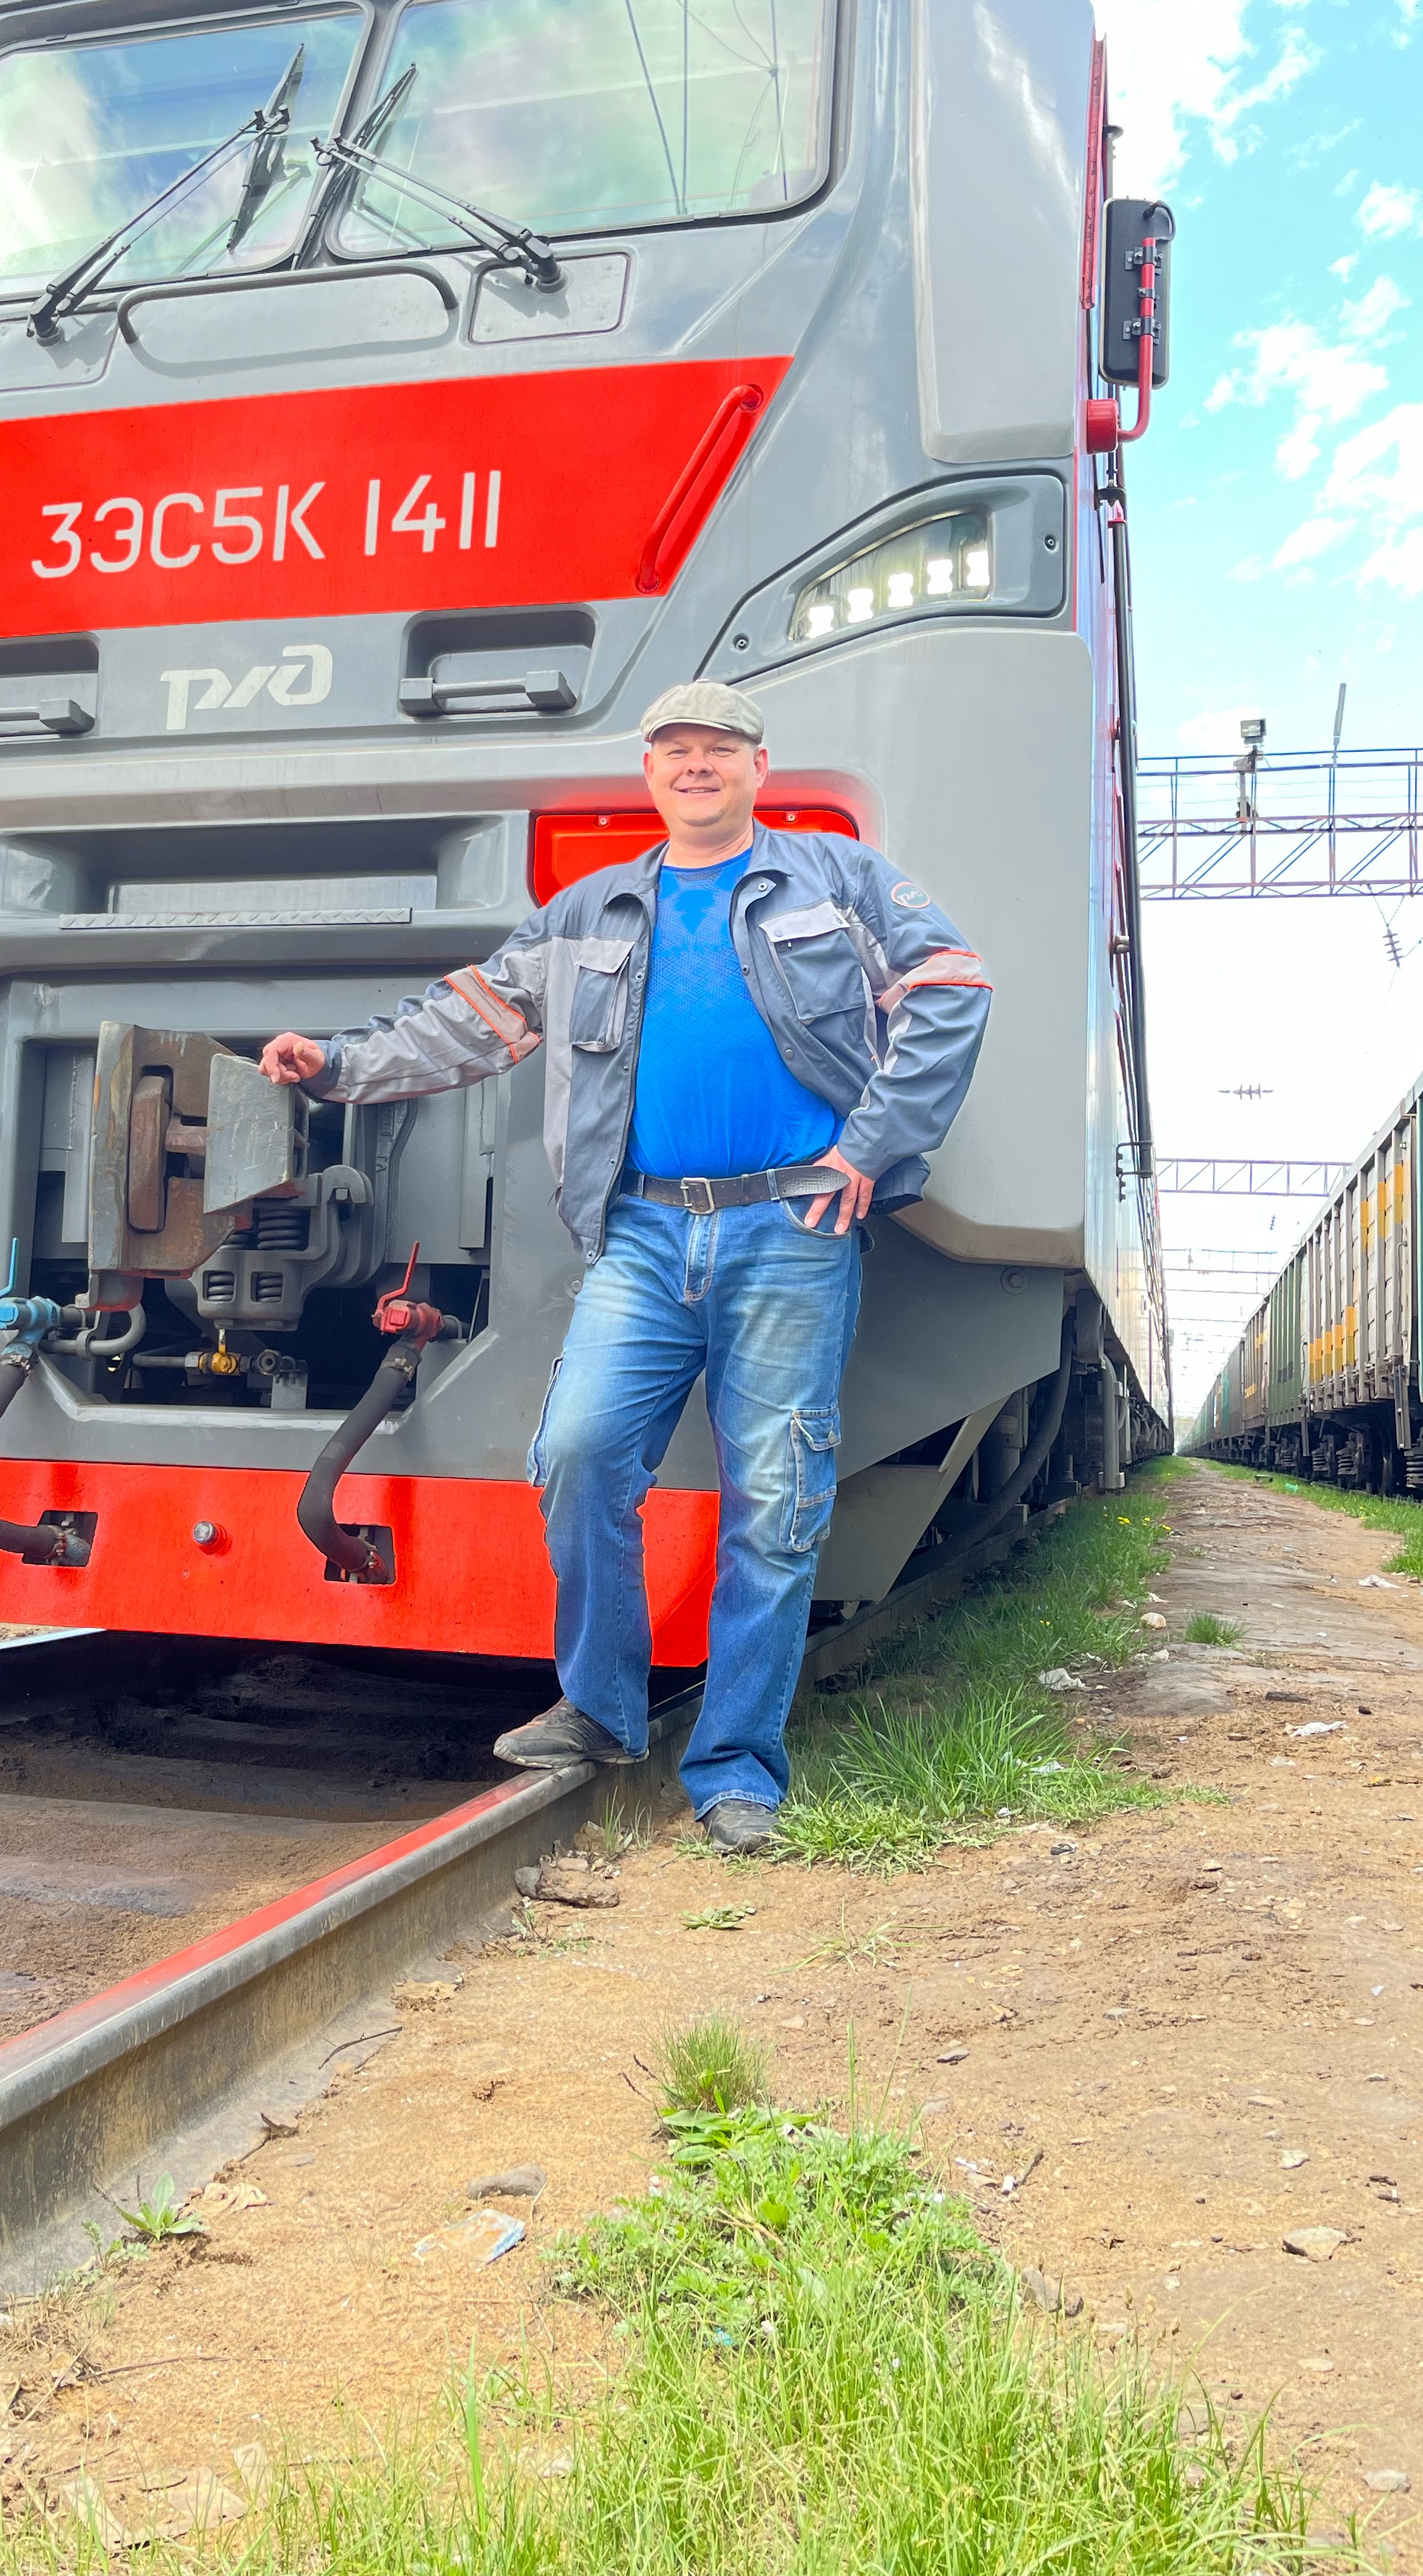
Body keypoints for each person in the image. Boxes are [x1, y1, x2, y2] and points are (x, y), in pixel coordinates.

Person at [261, 683, 991, 1851]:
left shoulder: (838, 883)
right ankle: (602, 1710)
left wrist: (875, 1144)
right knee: (581, 1449)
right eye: (674, 752)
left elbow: (954, 987)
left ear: (761, 766)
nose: (695, 767)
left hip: (790, 1229)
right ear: (649, 773)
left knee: (777, 1504)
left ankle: (739, 1772)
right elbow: (469, 1023)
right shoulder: (589, 910)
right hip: (645, 1236)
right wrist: (333, 1065)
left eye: (718, 750)